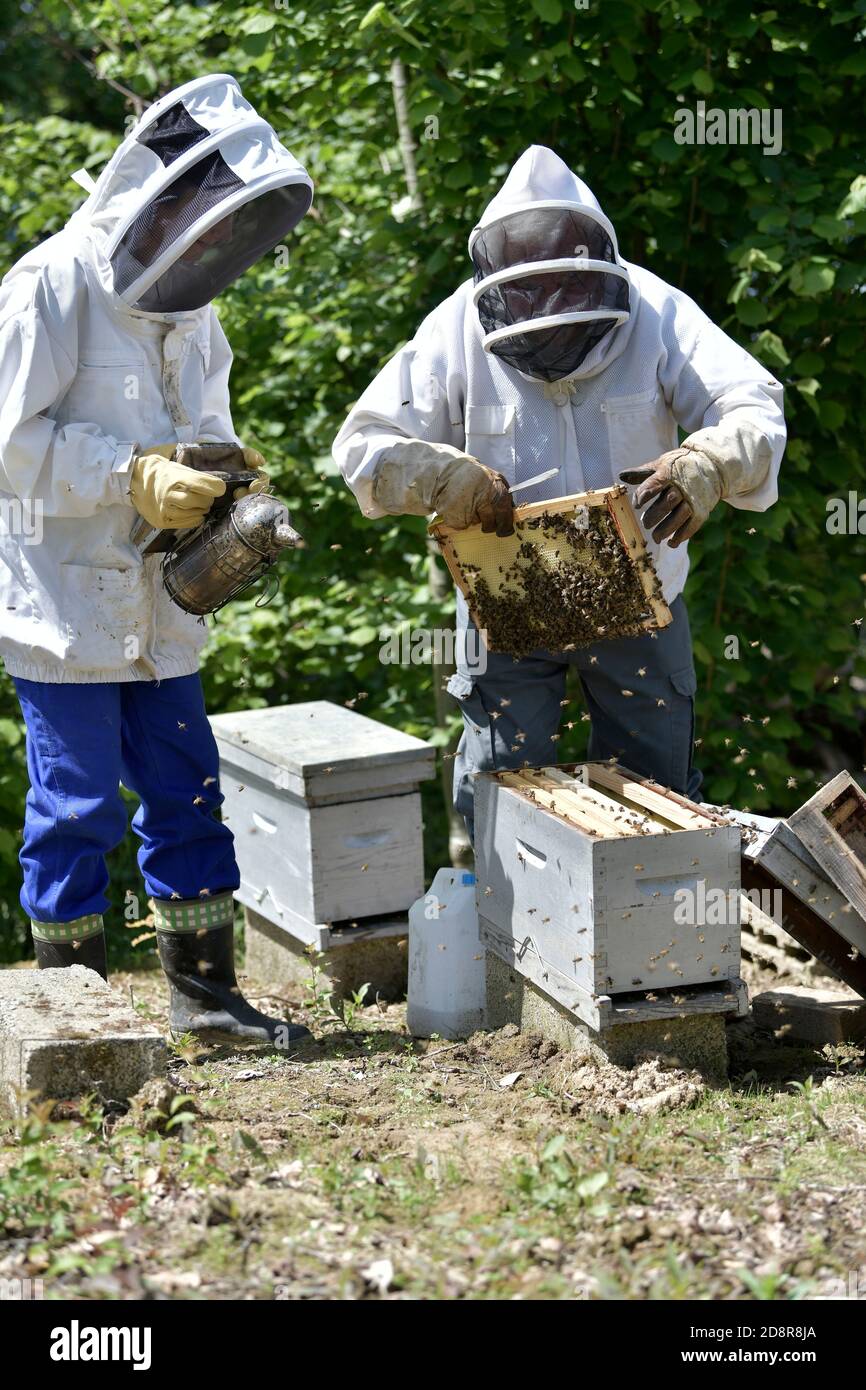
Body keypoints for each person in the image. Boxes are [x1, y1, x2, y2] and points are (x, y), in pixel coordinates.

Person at [333, 145, 786, 841]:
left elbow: (753, 406)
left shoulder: (657, 309)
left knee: (659, 802)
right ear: (500, 283)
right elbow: (362, 444)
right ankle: (502, 944)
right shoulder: (458, 323)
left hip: (644, 599)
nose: (552, 312)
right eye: (532, 295)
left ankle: (653, 940)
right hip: (505, 606)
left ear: (598, 272)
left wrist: (710, 463)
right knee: (499, 797)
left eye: (568, 294)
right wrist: (440, 476)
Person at [0, 74, 313, 1041]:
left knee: (189, 790)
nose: (214, 246)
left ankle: (206, 1000)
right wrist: (125, 474)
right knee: (78, 807)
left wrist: (224, 484)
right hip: (62, 603)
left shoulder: (192, 304)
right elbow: (7, 442)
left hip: (162, 599)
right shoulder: (49, 285)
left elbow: (204, 423)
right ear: (163, 194)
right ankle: (71, 1016)